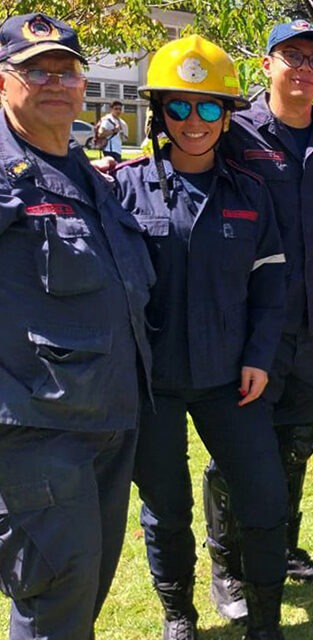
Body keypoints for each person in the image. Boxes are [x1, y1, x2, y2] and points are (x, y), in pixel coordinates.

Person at [115, 35, 288, 640]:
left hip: (230, 380)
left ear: (227, 116)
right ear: (160, 111)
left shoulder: (250, 194)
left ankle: (265, 618)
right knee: (165, 509)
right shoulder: (123, 191)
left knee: (264, 499)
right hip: (153, 382)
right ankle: (178, 615)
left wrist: (261, 359)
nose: (194, 121)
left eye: (209, 107)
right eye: (180, 107)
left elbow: (272, 289)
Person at [0, 13, 154, 639]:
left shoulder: (87, 174)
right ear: (3, 81)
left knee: (82, 592)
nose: (57, 82)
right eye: (37, 70)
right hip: (38, 431)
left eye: (67, 70)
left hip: (110, 421)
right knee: (55, 602)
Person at [206, 19, 313, 623]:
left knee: (296, 444)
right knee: (237, 454)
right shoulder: (234, 132)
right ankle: (227, 567)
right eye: (292, 55)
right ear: (267, 64)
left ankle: (282, 549)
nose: (305, 67)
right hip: (251, 327)